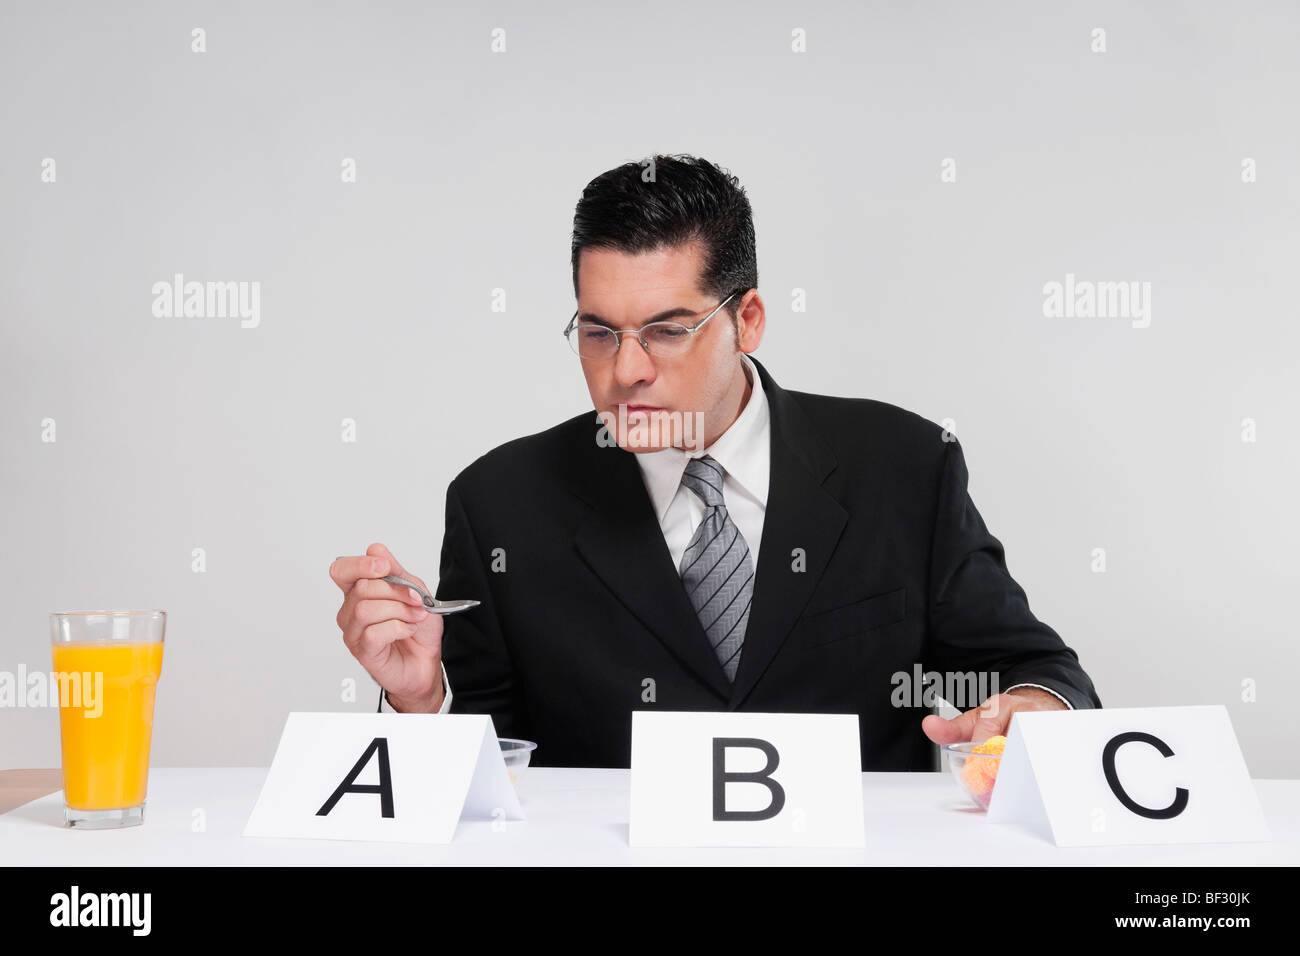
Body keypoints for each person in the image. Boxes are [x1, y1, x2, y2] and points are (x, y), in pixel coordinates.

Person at [330, 154, 1101, 769]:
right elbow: (484, 778)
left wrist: (1031, 708)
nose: (625, 370)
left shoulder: (904, 467)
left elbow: (1038, 670)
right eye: (599, 332)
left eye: (667, 331)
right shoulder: (499, 503)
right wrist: (421, 700)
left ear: (749, 320)